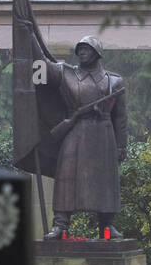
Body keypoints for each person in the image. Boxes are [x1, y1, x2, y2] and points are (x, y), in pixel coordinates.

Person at [35, 34, 127, 240]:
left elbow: (120, 117)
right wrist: (29, 33)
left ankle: (107, 225)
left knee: (105, 181)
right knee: (66, 176)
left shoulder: (114, 81)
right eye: (80, 49)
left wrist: (122, 145)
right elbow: (42, 65)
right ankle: (60, 224)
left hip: (103, 134)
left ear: (97, 53)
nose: (82, 53)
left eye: (86, 49)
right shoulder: (65, 73)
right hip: (75, 131)